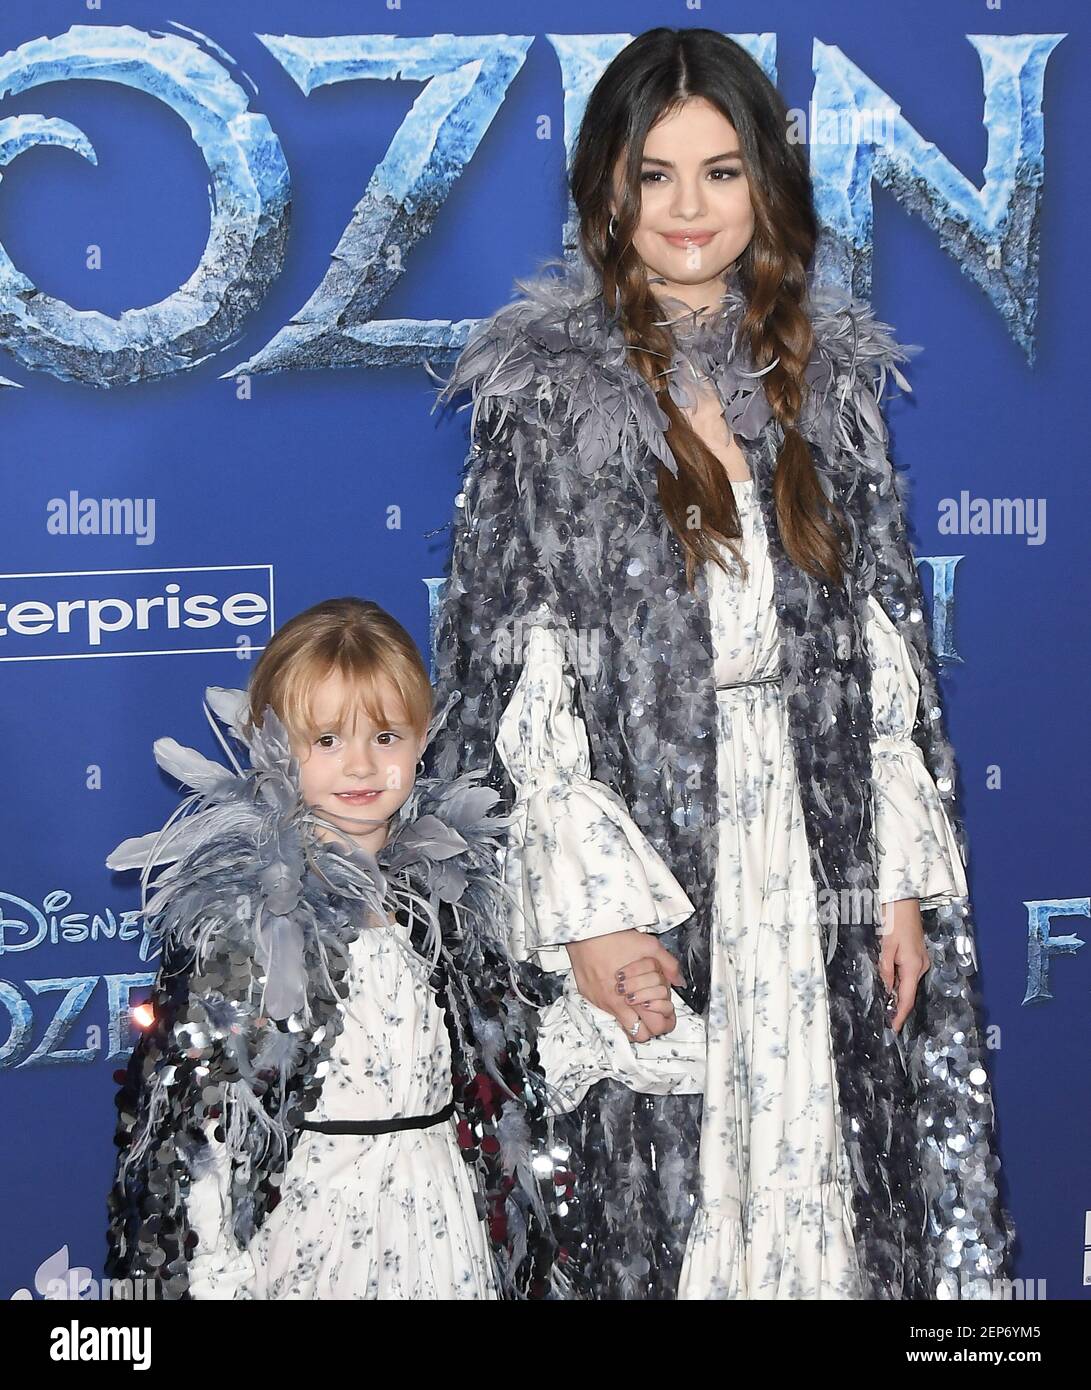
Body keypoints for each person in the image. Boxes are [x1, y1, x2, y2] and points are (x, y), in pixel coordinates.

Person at [426, 27, 1015, 1299]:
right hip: (652, 852)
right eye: (653, 174)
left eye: (719, 171)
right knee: (662, 1187)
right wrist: (592, 911)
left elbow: (877, 655)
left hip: (813, 845)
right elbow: (520, 668)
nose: (687, 208)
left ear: (765, 184)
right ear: (604, 189)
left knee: (825, 1157)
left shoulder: (823, 380)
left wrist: (893, 884)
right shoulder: (548, 397)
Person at [104, 597, 574, 1300]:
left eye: (385, 736)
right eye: (326, 740)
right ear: (271, 747)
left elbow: (506, 1061)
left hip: (436, 1219)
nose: (360, 764)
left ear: (422, 738)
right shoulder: (245, 919)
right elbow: (202, 1118)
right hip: (310, 1224)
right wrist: (213, 1268)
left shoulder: (449, 904)